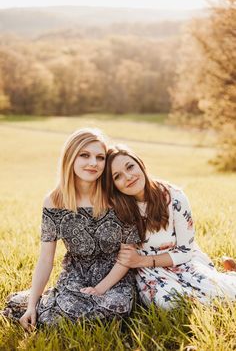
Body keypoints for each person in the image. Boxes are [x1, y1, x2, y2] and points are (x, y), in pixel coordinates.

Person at [1, 129, 140, 330]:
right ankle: (33, 302)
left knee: (115, 309)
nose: (93, 163)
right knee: (58, 318)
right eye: (85, 155)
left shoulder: (117, 198)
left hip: (115, 277)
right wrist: (32, 306)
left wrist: (100, 288)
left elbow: (127, 255)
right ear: (70, 158)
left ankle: (51, 302)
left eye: (100, 157)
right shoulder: (54, 202)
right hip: (77, 274)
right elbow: (46, 259)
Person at [105, 146, 236, 309]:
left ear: (140, 164)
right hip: (148, 271)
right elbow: (126, 257)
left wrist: (140, 260)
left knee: (227, 294)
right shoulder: (120, 208)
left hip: (181, 260)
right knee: (170, 303)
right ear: (114, 185)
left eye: (130, 166)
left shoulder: (174, 197)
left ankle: (231, 275)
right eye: (117, 176)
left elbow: (185, 251)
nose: (128, 177)